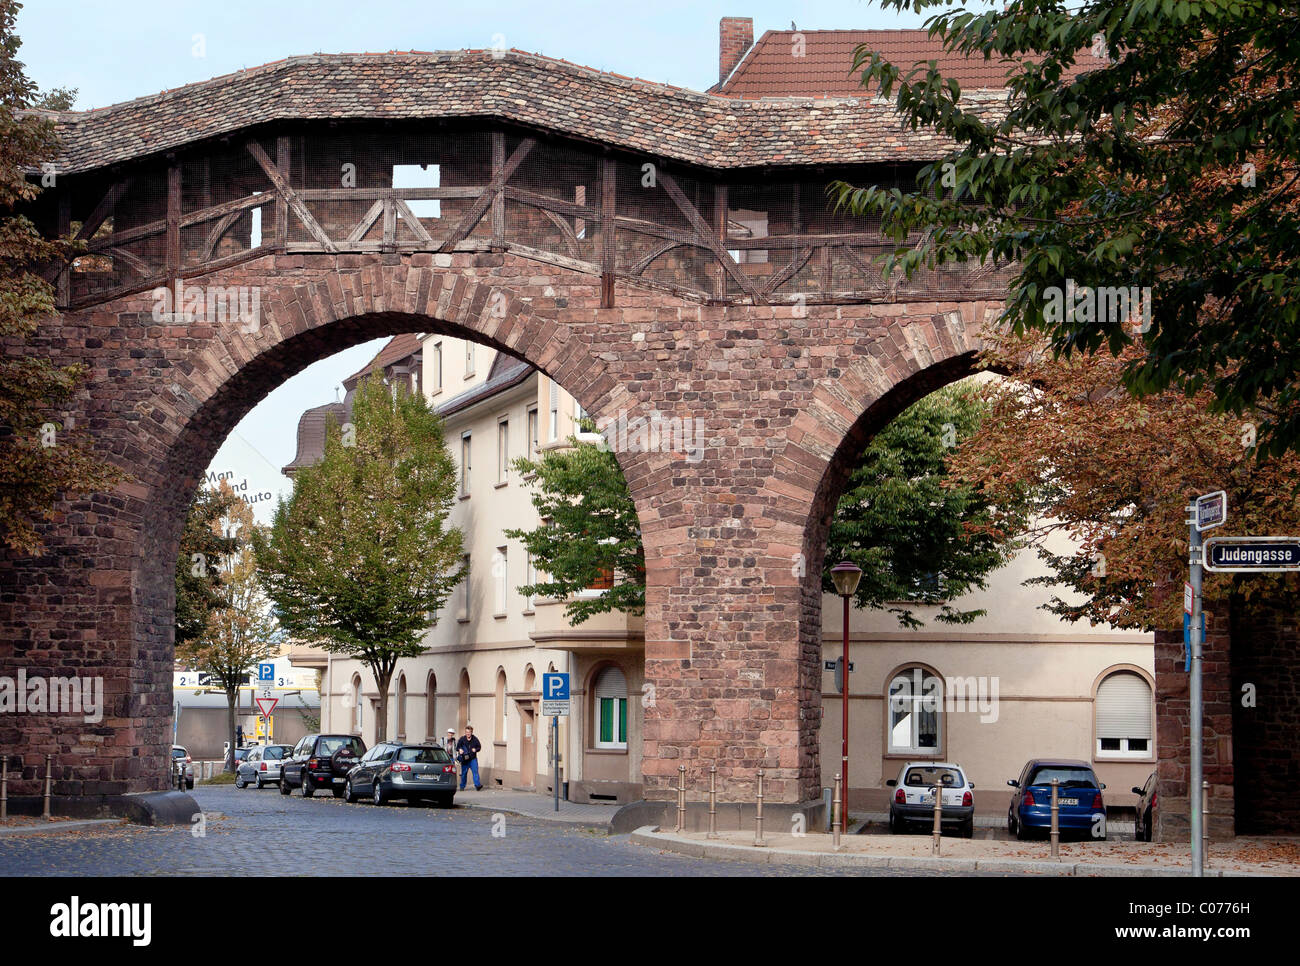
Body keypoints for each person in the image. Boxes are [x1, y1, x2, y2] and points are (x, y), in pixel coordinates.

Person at [455, 725, 483, 791]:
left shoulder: (475, 739)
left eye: (469, 732)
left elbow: (479, 747)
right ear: (465, 732)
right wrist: (460, 749)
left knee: (475, 772)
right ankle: (462, 786)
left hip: (473, 759)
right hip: (465, 760)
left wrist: (475, 749)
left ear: (471, 732)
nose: (468, 733)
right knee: (464, 774)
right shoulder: (462, 739)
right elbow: (457, 747)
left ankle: (477, 785)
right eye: (466, 732)